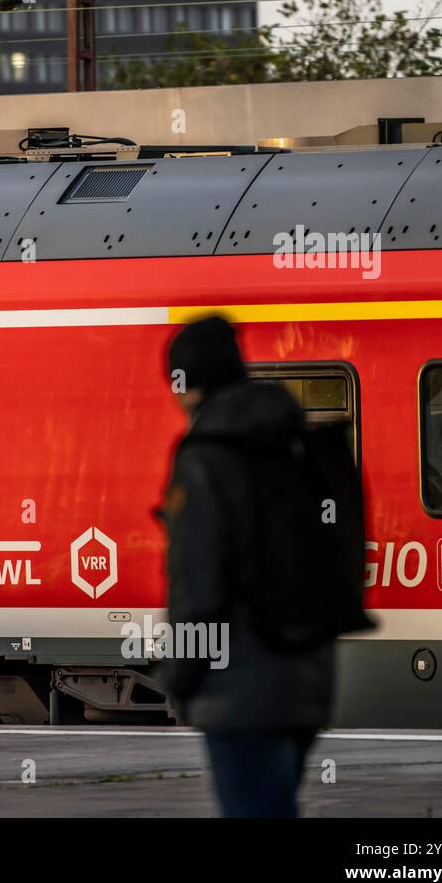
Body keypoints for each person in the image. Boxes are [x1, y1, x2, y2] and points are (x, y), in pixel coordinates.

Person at [159, 315, 335, 818]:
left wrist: (181, 676)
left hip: (239, 687)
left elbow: (200, 584)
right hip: (306, 677)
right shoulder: (294, 442)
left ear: (190, 386)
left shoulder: (205, 457)